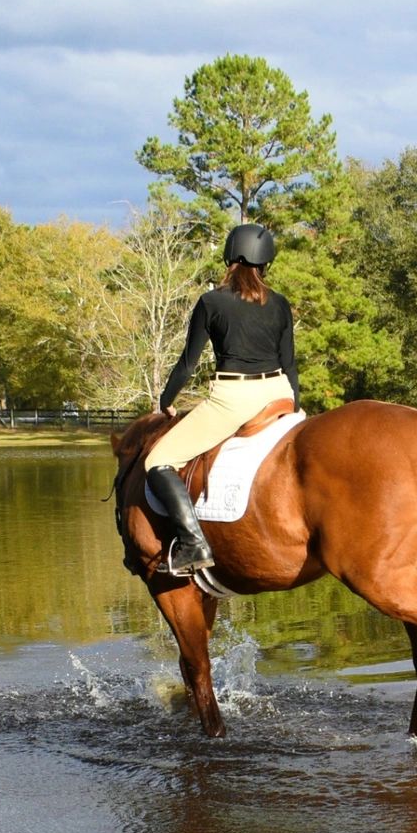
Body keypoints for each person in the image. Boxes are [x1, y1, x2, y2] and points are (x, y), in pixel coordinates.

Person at [145, 222, 299, 575]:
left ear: (230, 257)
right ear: (265, 263)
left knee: (158, 460)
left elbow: (187, 363)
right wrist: (295, 408)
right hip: (278, 394)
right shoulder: (280, 304)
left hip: (236, 397)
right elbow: (289, 363)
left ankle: (193, 544)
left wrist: (166, 401)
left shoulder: (211, 302)